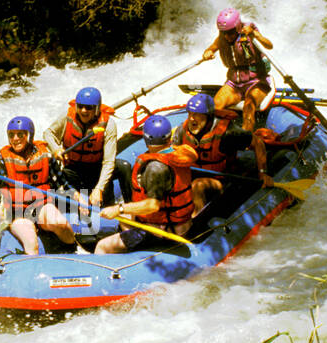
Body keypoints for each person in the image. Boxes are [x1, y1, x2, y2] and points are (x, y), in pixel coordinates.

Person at [95, 114, 196, 254]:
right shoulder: (175, 155)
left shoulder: (156, 168)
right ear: (169, 137)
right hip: (180, 224)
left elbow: (152, 205)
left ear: (146, 139)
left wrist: (119, 209)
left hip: (162, 231)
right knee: (124, 221)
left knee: (102, 246)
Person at [0, 116, 87, 256]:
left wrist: (78, 198)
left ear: (30, 135)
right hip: (18, 212)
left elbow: (62, 182)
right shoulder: (1, 161)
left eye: (20, 134)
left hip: (42, 206)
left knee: (60, 223)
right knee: (30, 242)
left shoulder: (45, 156)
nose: (15, 139)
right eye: (11, 135)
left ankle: (75, 249)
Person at [175, 93, 274, 209]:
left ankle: (193, 223)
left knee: (198, 186)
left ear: (209, 116)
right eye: (190, 113)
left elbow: (258, 143)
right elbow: (172, 154)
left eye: (197, 115)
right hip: (193, 174)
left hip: (222, 179)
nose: (192, 118)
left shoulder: (228, 133)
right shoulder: (183, 130)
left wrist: (263, 172)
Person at [43, 86, 118, 212]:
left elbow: (109, 161)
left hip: (95, 169)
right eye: (80, 106)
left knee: (123, 167)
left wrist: (99, 188)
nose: (83, 110)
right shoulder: (67, 117)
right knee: (58, 178)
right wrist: (56, 149)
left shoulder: (109, 125)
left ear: (97, 108)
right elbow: (48, 133)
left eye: (89, 107)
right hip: (72, 168)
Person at [201, 8, 275, 130]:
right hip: (234, 83)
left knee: (249, 105)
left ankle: (245, 140)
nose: (227, 36)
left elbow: (269, 45)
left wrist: (255, 35)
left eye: (230, 32)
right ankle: (218, 134)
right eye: (224, 32)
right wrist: (207, 52)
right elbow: (212, 47)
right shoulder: (222, 37)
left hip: (256, 81)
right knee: (215, 106)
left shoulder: (249, 33)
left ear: (237, 27)